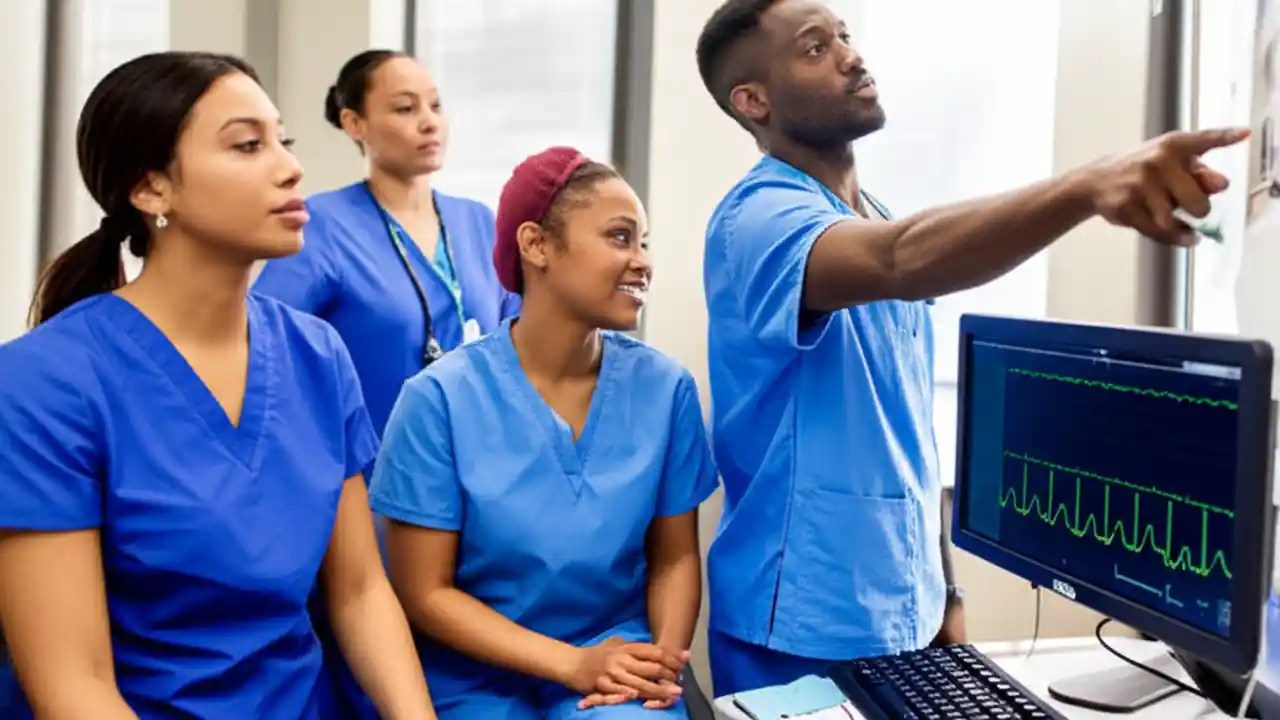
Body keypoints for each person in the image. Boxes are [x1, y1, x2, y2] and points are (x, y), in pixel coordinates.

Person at [694, 0, 1250, 696]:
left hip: (905, 618)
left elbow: (906, 432)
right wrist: (1087, 186)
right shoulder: (759, 219)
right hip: (800, 630)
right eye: (815, 48)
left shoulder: (877, 214)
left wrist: (944, 592)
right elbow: (903, 259)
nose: (851, 55)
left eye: (845, 35)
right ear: (755, 101)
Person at [0, 51, 434, 719]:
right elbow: (73, 686)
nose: (291, 167)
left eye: (283, 141)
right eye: (247, 146)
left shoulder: (317, 355)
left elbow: (359, 591)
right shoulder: (44, 383)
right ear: (151, 191)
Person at [368, 147, 720, 718]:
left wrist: (658, 662)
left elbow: (674, 558)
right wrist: (568, 664)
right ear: (535, 245)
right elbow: (424, 593)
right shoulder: (439, 400)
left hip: (614, 655)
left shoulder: (664, 388)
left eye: (644, 243)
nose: (642, 262)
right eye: (619, 237)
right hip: (476, 672)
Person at [255, 49, 519, 441]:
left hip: (484, 461)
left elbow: (526, 341)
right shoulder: (321, 225)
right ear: (354, 123)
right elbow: (261, 342)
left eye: (435, 105)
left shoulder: (478, 222)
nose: (429, 122)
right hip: (371, 475)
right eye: (405, 108)